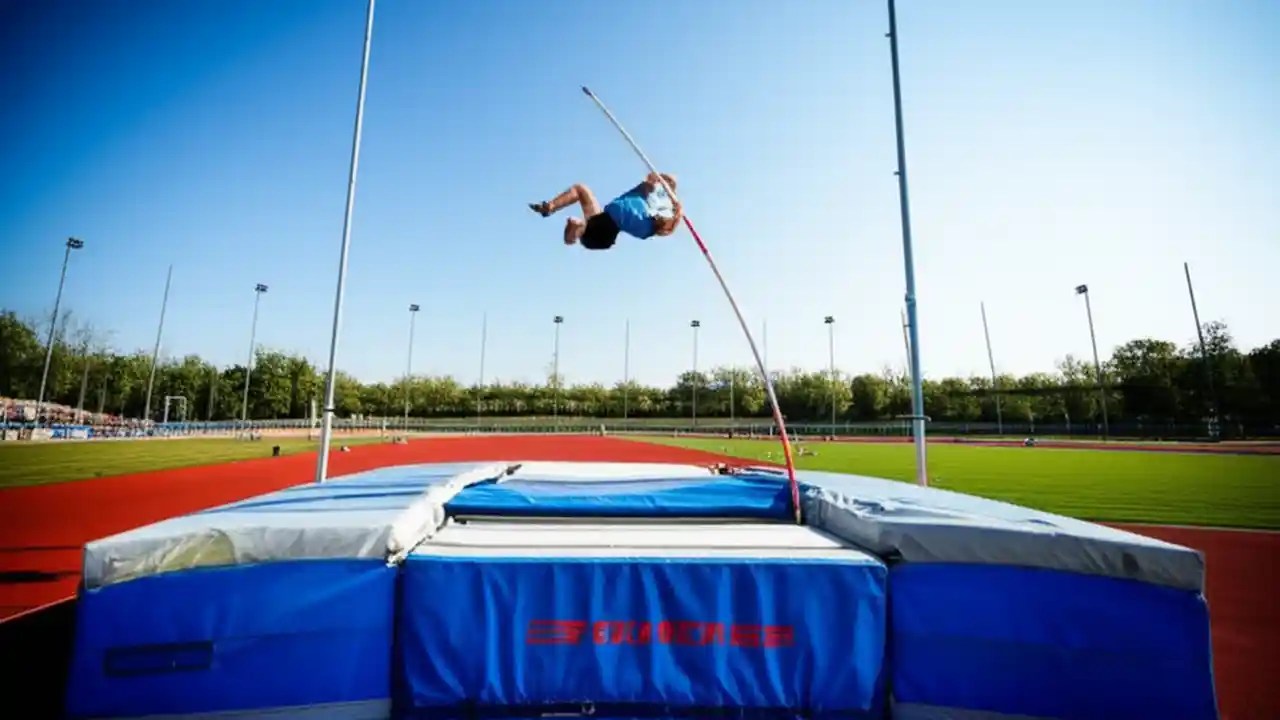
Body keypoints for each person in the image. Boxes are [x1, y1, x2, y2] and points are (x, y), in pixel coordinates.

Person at [529, 172, 683, 250]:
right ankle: (551, 208)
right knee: (581, 190)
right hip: (602, 224)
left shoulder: (654, 209)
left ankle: (575, 230)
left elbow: (662, 227)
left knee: (583, 225)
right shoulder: (644, 193)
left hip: (604, 230)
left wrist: (677, 212)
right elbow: (660, 181)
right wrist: (663, 179)